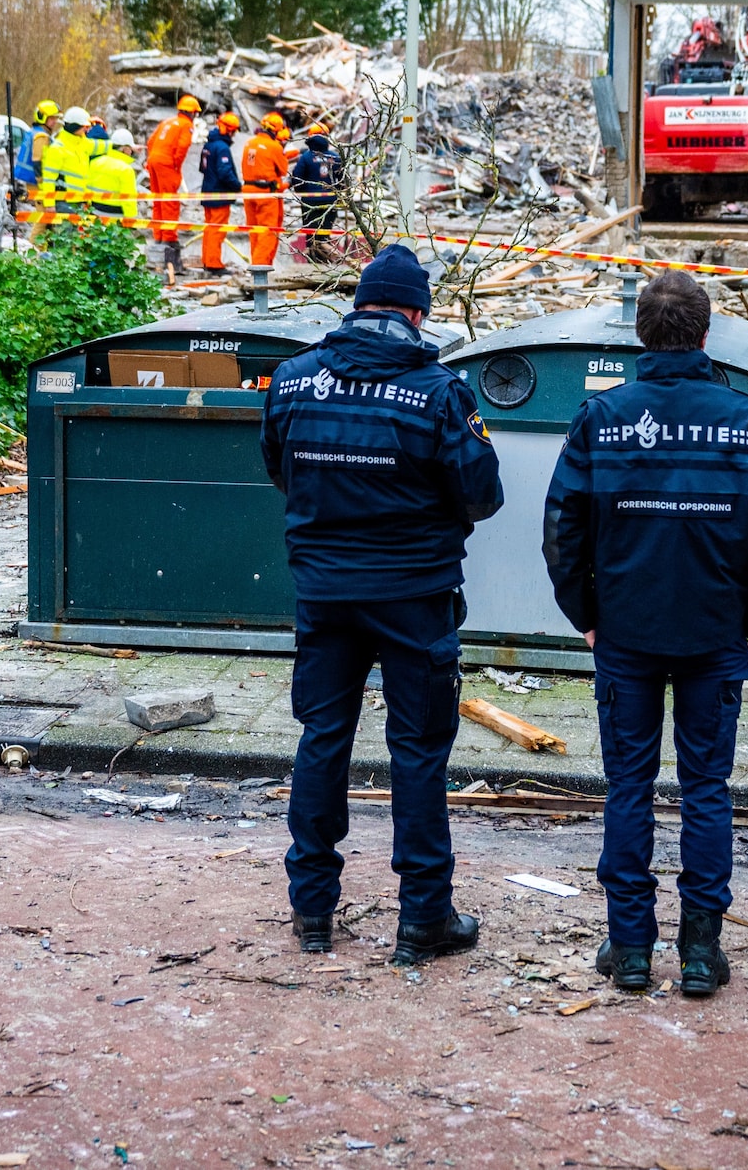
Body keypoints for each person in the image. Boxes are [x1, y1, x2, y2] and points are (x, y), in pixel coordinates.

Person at [542, 272, 748, 998]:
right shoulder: (746, 420)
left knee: (628, 786)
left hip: (626, 632)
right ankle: (699, 949)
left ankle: (630, 949)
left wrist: (586, 615)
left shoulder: (603, 417)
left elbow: (562, 531)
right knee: (706, 789)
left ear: (642, 335)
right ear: (705, 332)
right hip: (715, 635)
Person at [260, 245, 503, 965]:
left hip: (325, 592)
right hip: (414, 597)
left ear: (360, 305)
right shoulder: (438, 390)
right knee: (420, 751)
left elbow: (279, 467)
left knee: (322, 740)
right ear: (416, 313)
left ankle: (311, 910)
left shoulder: (295, 380)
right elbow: (483, 494)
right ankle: (423, 918)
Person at [145, 94, 202, 273]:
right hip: (167, 163)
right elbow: (182, 147)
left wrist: (152, 159)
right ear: (192, 113)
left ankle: (159, 235)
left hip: (154, 161)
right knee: (170, 202)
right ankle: (169, 237)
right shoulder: (186, 125)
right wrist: (176, 166)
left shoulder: (167, 122)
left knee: (158, 201)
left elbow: (150, 142)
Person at [289, 123, 343, 261]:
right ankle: (325, 261)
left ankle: (313, 261)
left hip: (309, 202)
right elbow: (342, 180)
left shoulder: (306, 157)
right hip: (330, 201)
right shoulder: (335, 157)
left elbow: (297, 178)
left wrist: (302, 192)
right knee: (324, 233)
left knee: (311, 234)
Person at [241, 112, 289, 267]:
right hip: (266, 193)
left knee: (254, 230)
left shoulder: (249, 143)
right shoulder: (274, 146)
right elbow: (282, 170)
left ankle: (257, 264)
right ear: (275, 130)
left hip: (248, 191)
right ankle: (260, 268)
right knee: (267, 231)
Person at [199, 112, 242, 271]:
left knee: (209, 229)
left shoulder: (208, 145)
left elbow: (202, 168)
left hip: (208, 192)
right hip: (220, 195)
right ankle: (213, 264)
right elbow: (225, 172)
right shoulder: (222, 147)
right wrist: (237, 186)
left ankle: (207, 260)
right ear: (230, 130)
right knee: (217, 230)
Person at [37, 105, 96, 209]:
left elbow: (100, 146)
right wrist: (49, 204)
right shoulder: (57, 149)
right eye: (85, 127)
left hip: (81, 202)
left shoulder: (82, 143)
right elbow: (49, 179)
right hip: (64, 203)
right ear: (74, 127)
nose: (87, 130)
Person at [95, 126, 143, 225]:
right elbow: (128, 200)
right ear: (125, 149)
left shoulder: (96, 162)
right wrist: (131, 220)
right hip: (115, 220)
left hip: (94, 216)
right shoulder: (125, 170)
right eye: (130, 149)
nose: (131, 152)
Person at [13, 100, 62, 188]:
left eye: (56, 118)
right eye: (52, 118)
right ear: (42, 117)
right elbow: (37, 160)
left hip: (23, 177)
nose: (55, 121)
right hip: (31, 181)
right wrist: (41, 181)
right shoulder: (41, 136)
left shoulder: (33, 131)